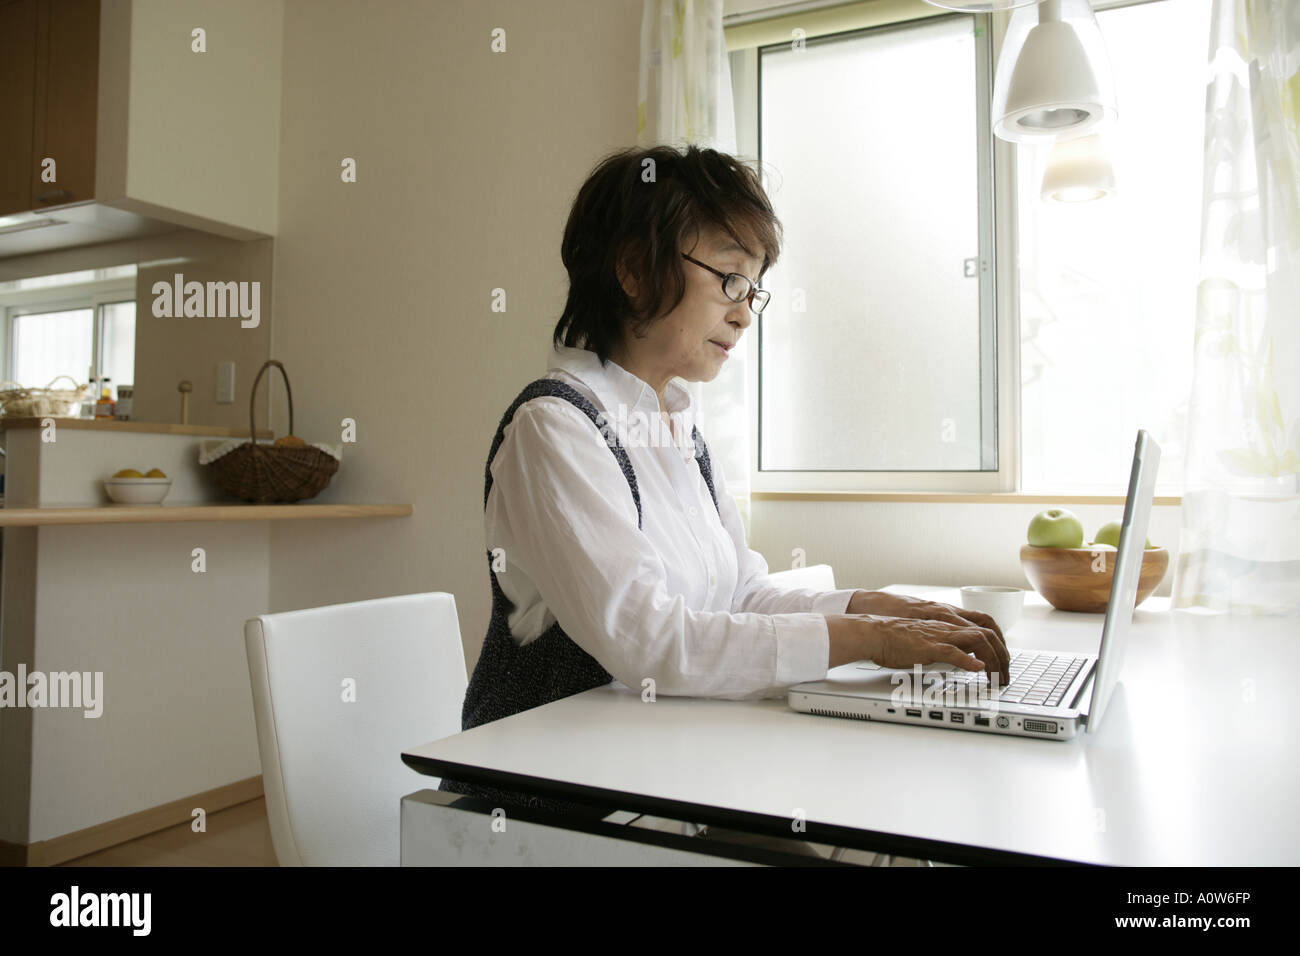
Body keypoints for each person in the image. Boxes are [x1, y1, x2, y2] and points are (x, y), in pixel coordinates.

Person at [438, 145, 1010, 861]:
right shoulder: (554, 427)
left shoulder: (677, 424)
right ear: (635, 268)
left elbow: (741, 593)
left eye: (754, 290)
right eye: (730, 280)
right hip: (551, 805)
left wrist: (873, 608)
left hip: (649, 770)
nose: (745, 315)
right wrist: (869, 643)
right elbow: (652, 643)